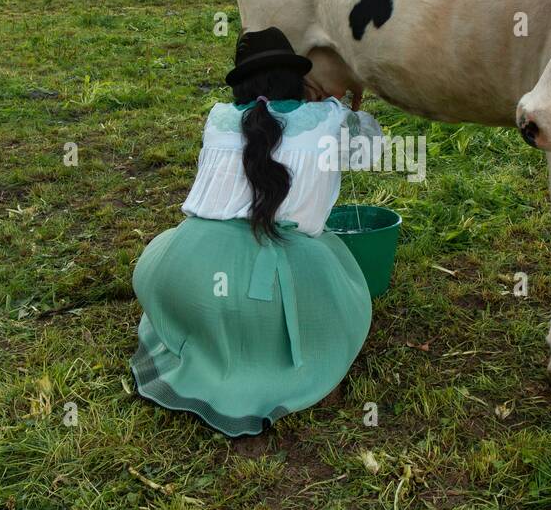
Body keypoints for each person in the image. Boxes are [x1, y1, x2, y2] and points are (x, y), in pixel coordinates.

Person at [130, 27, 378, 436]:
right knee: (339, 288)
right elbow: (372, 149)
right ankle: (269, 361)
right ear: (298, 79)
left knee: (181, 271)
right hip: (275, 278)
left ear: (241, 85)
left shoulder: (219, 118)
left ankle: (199, 338)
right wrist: (344, 108)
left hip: (191, 269)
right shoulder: (329, 119)